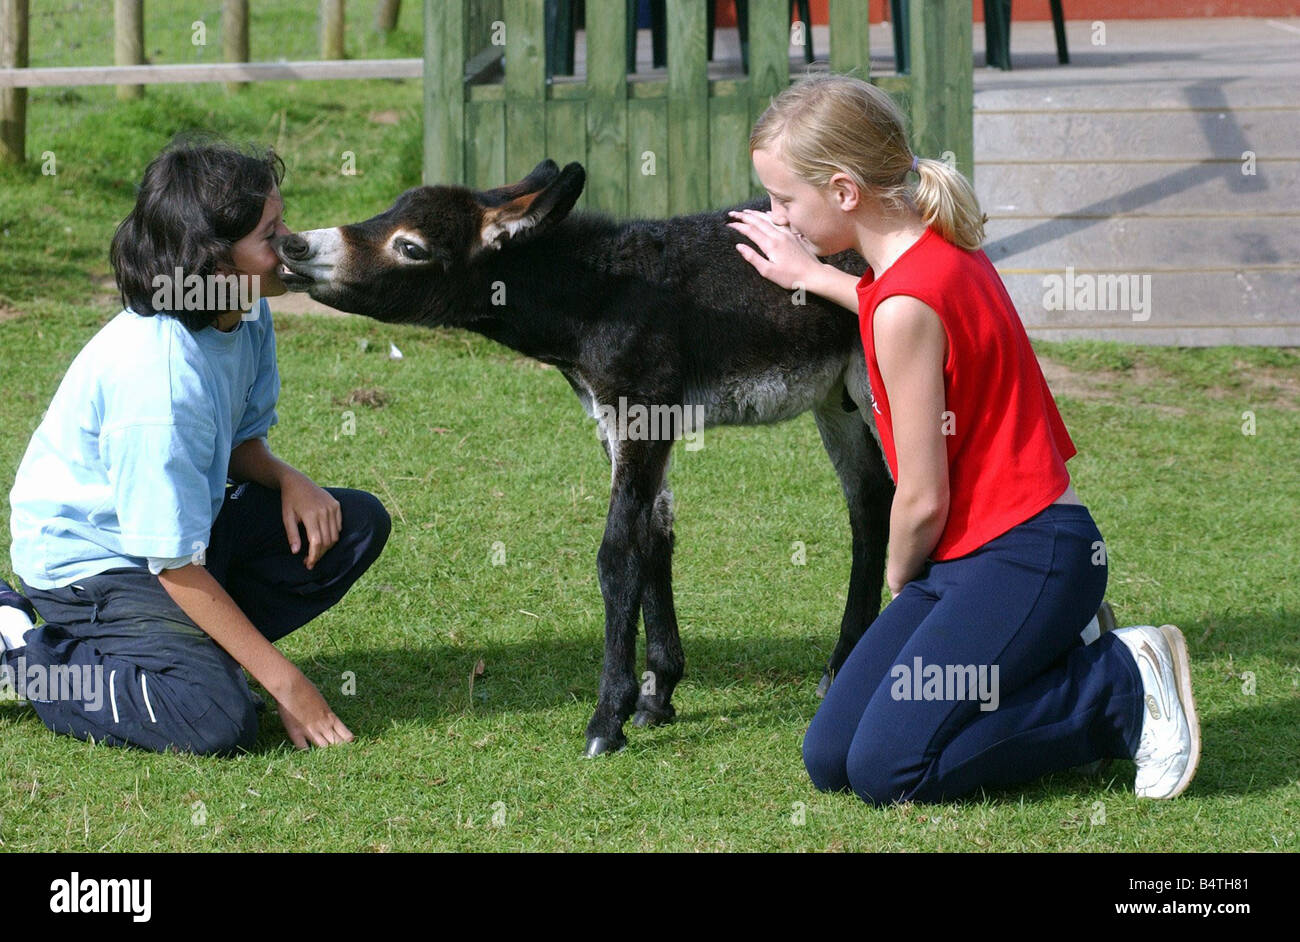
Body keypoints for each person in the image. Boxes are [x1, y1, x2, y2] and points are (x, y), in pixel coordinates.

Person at [725, 75, 1199, 804]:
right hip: (973, 556)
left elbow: (919, 497)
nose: (774, 214)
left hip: (1029, 554)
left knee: (889, 772)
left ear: (845, 191)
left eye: (785, 200)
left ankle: (1120, 686)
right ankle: (1048, 654)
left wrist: (897, 579)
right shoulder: (933, 239)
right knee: (832, 755)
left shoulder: (903, 305)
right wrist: (814, 274)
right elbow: (898, 302)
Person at [0, 136, 390, 755]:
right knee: (216, 719)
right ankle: (23, 648)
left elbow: (234, 444)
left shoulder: (243, 311)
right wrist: (288, 684)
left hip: (178, 535)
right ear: (213, 265)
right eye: (270, 233)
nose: (290, 241)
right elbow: (172, 564)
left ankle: (187, 653)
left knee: (354, 523)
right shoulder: (158, 382)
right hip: (96, 562)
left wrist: (290, 478)